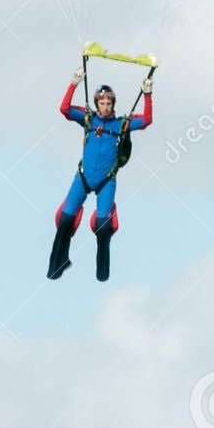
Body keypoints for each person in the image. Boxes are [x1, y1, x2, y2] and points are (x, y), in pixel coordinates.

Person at [47, 67, 153, 281]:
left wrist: (148, 94)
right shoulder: (88, 120)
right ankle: (58, 264)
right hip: (84, 177)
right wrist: (73, 83)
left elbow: (147, 120)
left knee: (104, 226)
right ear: (97, 104)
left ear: (113, 105)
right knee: (66, 218)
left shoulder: (121, 124)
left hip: (106, 181)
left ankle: (102, 273)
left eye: (108, 103)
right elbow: (64, 109)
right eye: (102, 103)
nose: (105, 107)